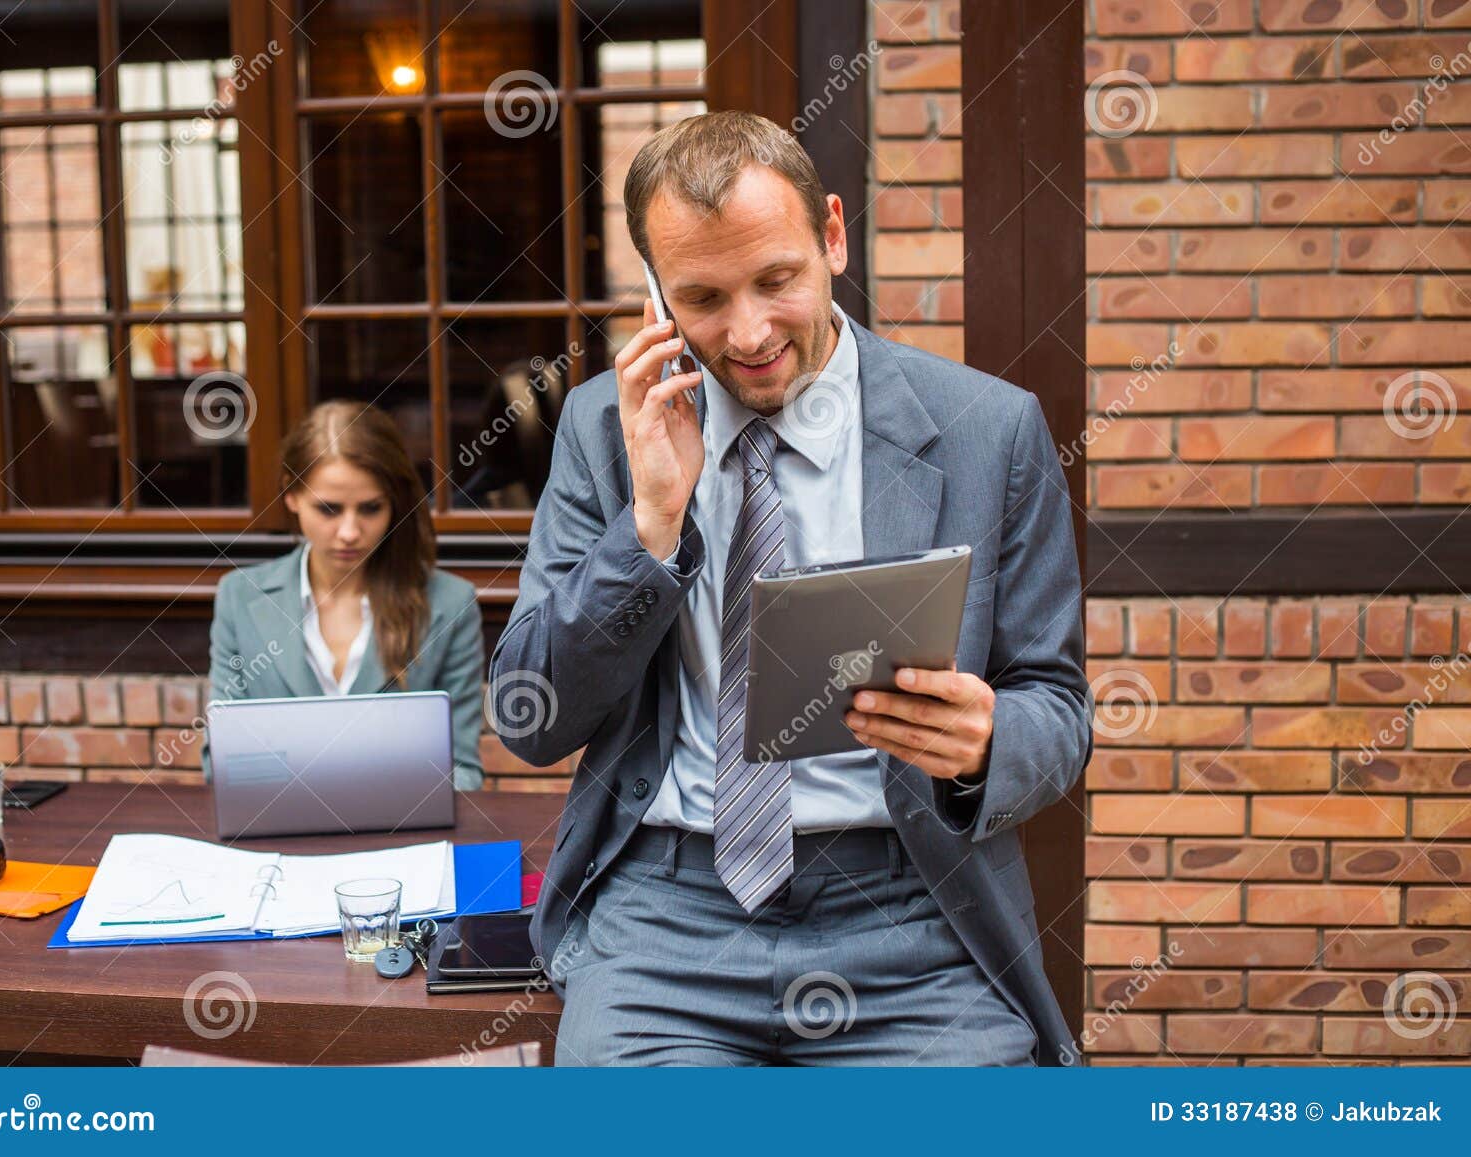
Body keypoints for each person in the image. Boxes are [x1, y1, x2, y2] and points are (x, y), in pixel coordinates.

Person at [490, 111, 1091, 1065]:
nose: (751, 331)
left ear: (833, 236)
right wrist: (648, 525)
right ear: (654, 294)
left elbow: (1058, 710)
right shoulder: (607, 429)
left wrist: (985, 741)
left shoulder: (990, 429)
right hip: (668, 917)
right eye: (703, 297)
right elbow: (532, 717)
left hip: (910, 917)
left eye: (777, 280)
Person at [208, 400, 485, 790]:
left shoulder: (451, 604)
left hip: (401, 841)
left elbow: (462, 770)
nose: (350, 532)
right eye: (329, 509)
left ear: (394, 504)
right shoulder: (240, 597)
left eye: (371, 508)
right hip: (277, 839)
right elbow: (222, 760)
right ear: (291, 495)